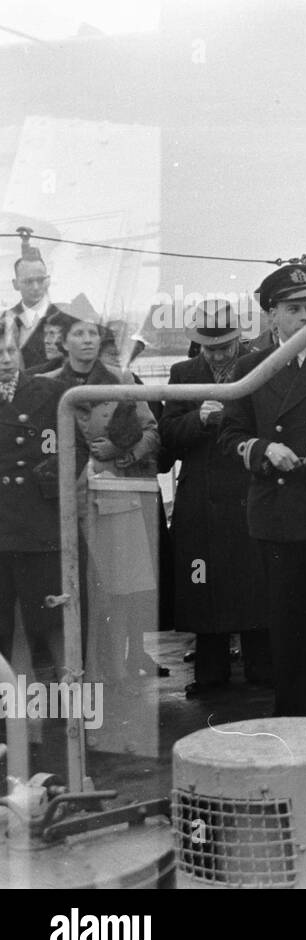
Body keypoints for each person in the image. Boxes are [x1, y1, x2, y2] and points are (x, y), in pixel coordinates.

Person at [220, 264, 306, 716]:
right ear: (272, 316)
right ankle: (294, 716)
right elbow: (230, 435)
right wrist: (264, 449)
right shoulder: (251, 368)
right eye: (294, 309)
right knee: (287, 628)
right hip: (277, 512)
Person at [160, 300, 270, 697]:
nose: (220, 354)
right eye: (211, 347)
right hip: (201, 498)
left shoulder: (260, 364)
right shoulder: (183, 374)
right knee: (203, 585)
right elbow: (167, 437)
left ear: (238, 338)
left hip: (248, 488)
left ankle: (262, 665)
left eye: (225, 345)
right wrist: (199, 420)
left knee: (254, 579)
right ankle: (210, 669)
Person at [41, 320, 161, 680]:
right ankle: (79, 677)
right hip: (63, 503)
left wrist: (122, 452)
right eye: (77, 333)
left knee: (117, 596)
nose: (87, 340)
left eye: (92, 333)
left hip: (112, 501)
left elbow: (152, 432)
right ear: (63, 342)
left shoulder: (121, 380)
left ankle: (115, 678)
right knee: (71, 596)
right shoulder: (44, 385)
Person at [0, 319, 66, 682]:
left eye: (10, 350)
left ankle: (69, 721)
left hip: (39, 526)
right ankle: (11, 724)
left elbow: (74, 448)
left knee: (53, 624)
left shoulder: (47, 392)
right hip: (3, 528)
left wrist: (49, 481)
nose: (6, 360)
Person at [8, 252, 77, 370]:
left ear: (48, 280)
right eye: (28, 281)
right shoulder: (6, 322)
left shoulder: (70, 317)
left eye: (41, 280)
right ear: (15, 284)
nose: (36, 287)